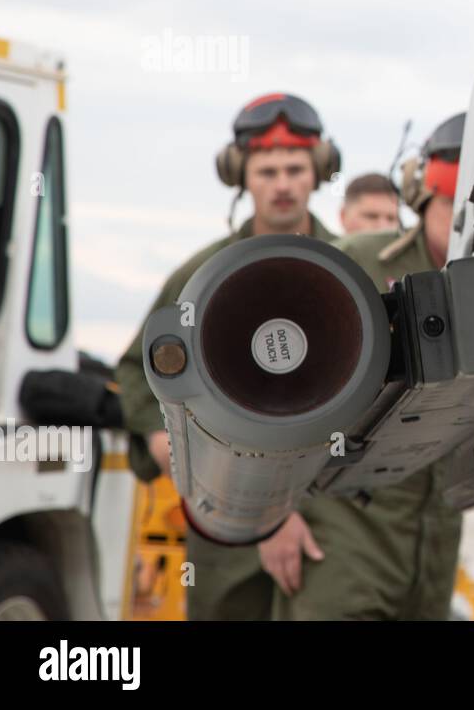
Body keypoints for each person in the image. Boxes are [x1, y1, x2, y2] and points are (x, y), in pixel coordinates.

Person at [114, 93, 340, 620]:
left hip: (331, 519)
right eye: (267, 171)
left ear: (318, 172)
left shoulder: (350, 271)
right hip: (226, 523)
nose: (282, 184)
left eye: (294, 168)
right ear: (241, 176)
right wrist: (166, 443)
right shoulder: (201, 278)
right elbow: (136, 369)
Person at [258, 113, 467, 620]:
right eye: (456, 206)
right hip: (342, 535)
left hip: (433, 545)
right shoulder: (354, 265)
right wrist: (270, 519)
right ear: (422, 198)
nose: (468, 222)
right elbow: (263, 383)